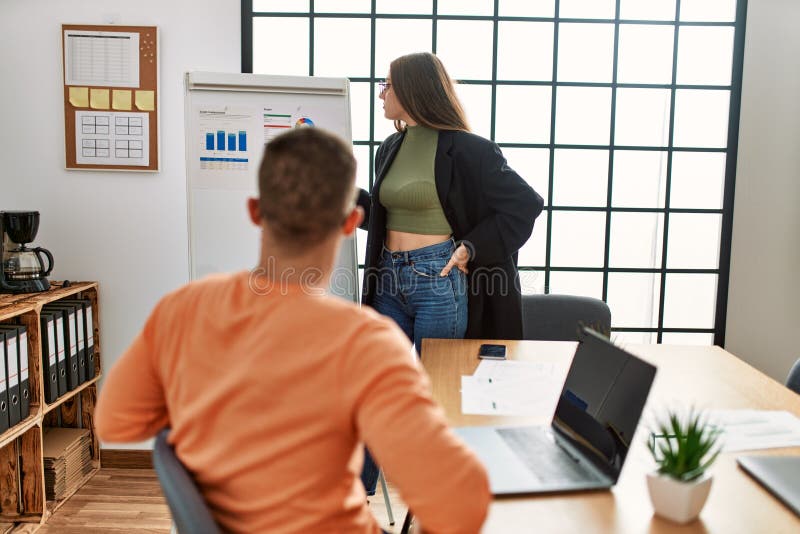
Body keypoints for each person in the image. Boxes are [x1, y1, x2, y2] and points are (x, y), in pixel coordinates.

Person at [95, 127, 491, 533]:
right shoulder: (367, 344)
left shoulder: (183, 309)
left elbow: (114, 421)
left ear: (255, 211)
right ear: (351, 222)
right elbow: (462, 503)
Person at [358, 51, 544, 495]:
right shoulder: (390, 148)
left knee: (435, 396)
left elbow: (525, 203)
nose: (381, 94)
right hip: (389, 280)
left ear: (413, 90)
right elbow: (384, 214)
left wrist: (470, 248)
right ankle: (355, 493)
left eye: (387, 85)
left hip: (439, 280)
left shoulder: (470, 150)